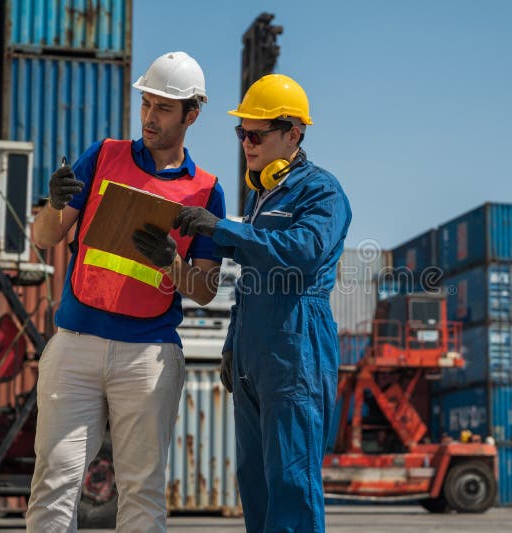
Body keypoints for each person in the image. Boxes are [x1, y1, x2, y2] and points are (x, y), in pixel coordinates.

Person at [25, 51, 225, 532]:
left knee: (142, 491)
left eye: (163, 108)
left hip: (149, 356)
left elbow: (204, 289)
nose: (149, 118)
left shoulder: (206, 191)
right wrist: (54, 204)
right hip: (75, 345)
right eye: (146, 104)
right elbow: (44, 237)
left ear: (191, 114)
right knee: (54, 482)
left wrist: (171, 264)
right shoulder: (103, 155)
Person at [174, 74, 352, 532]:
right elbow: (250, 279)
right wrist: (232, 343)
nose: (245, 143)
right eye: (241, 133)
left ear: (294, 133)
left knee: (291, 482)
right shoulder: (259, 196)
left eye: (256, 134)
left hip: (296, 347)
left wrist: (221, 229)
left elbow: (301, 252)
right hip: (255, 351)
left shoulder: (322, 192)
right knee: (253, 481)